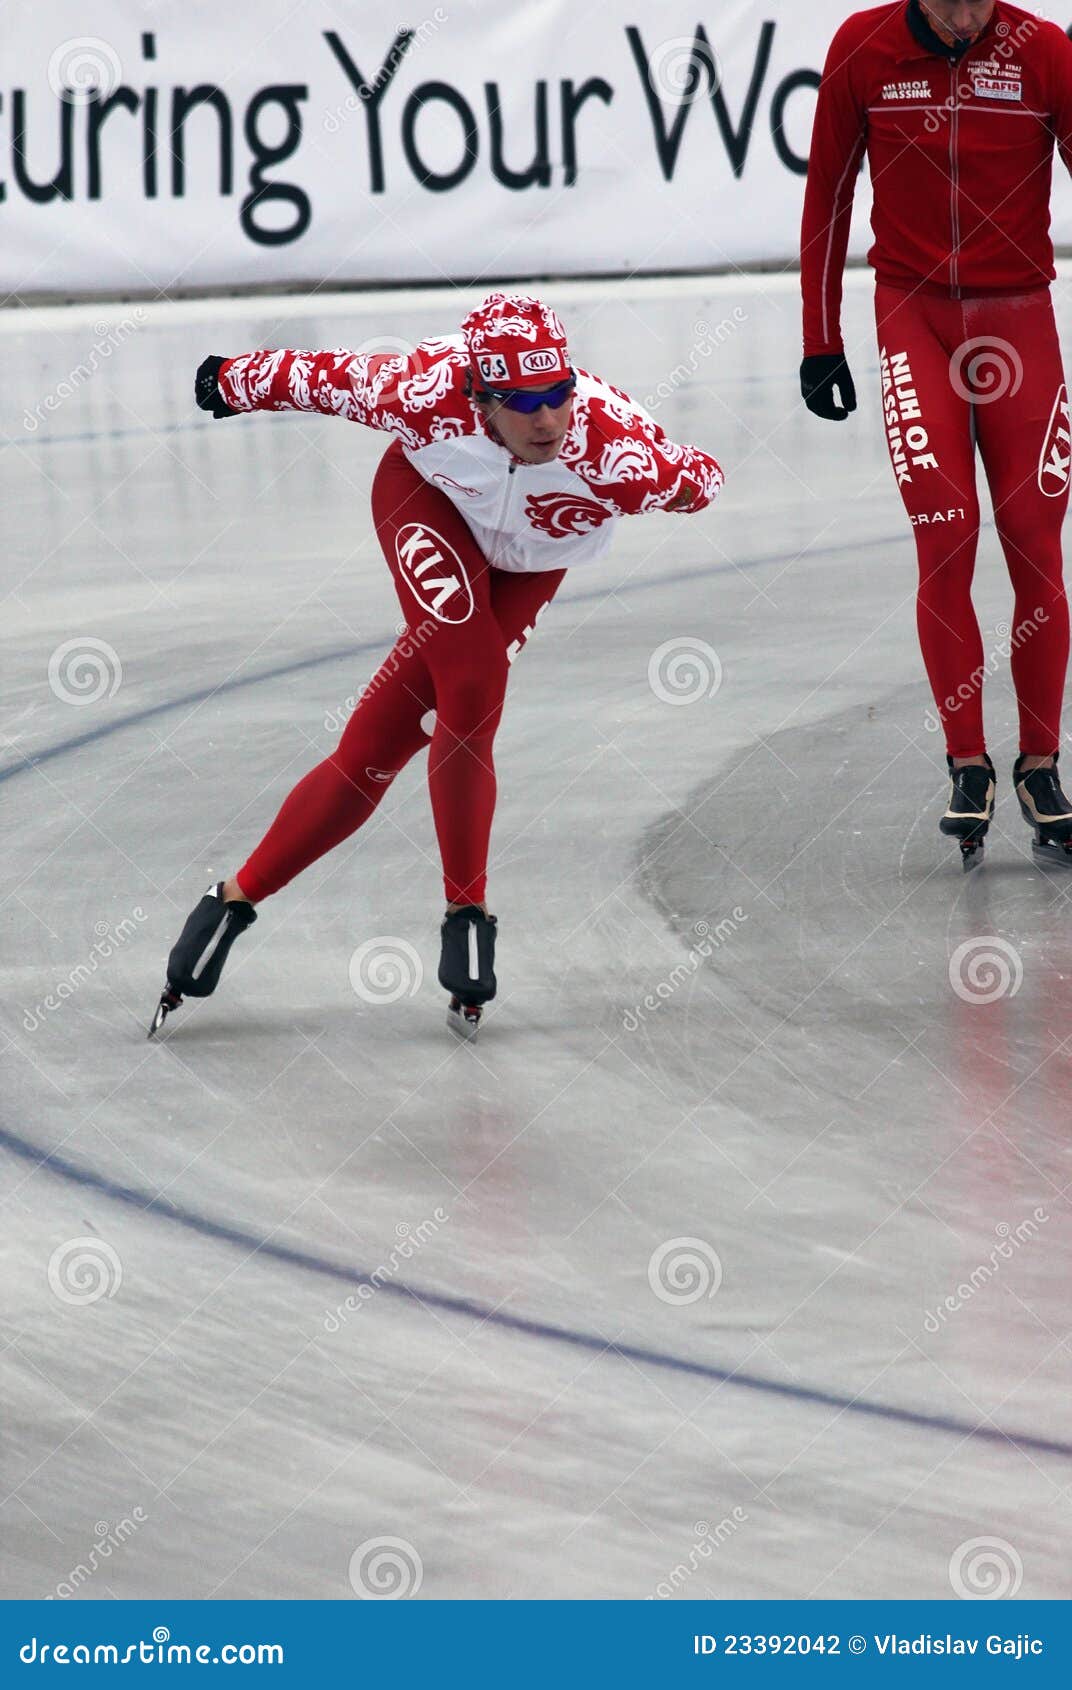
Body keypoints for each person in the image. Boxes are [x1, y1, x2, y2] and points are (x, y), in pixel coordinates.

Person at [150, 292, 723, 1037]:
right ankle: (467, 913)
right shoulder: (423, 388)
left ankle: (234, 897)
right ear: (479, 398)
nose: (547, 419)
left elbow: (701, 479)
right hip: (429, 503)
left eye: (557, 395)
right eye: (523, 403)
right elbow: (321, 377)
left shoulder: (614, 449)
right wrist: (231, 381)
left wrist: (673, 485)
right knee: (475, 680)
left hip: (531, 562)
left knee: (378, 749)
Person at [800, 0, 1072, 867]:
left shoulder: (1044, 50)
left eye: (978, 3)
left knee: (1036, 542)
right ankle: (967, 761)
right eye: (946, 3)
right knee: (946, 536)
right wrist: (820, 341)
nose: (963, 21)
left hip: (1020, 317)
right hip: (915, 318)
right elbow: (828, 195)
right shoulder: (862, 46)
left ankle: (1039, 762)